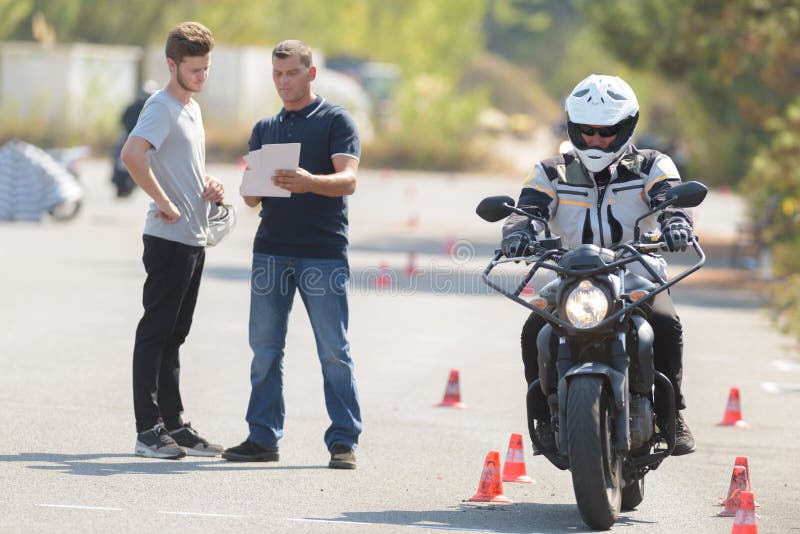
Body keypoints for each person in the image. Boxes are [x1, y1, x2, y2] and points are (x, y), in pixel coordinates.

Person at [501, 74, 696, 456]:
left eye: (607, 131)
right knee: (533, 331)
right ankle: (544, 413)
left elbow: (671, 200)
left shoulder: (651, 164)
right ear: (573, 127)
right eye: (587, 130)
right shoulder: (550, 171)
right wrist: (518, 232)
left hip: (637, 270)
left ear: (626, 128)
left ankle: (674, 415)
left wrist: (676, 224)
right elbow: (526, 210)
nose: (596, 139)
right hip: (571, 274)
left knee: (666, 323)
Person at [222, 40, 362, 469]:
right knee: (264, 350)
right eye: (278, 75)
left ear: (311, 74)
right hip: (270, 251)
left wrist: (308, 181)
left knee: (333, 350)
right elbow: (250, 199)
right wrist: (250, 185)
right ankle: (262, 438)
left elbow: (349, 180)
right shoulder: (265, 128)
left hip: (321, 253)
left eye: (292, 74)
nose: (284, 82)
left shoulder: (336, 119)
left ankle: (344, 441)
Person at [121, 21, 224, 459]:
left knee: (176, 335)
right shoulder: (160, 107)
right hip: (167, 239)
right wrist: (163, 201)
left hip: (193, 237)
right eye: (195, 70)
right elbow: (132, 154)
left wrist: (208, 185)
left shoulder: (193, 109)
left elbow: (181, 165)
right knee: (155, 333)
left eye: (206, 68)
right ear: (172, 64)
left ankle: (175, 425)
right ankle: (148, 431)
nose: (202, 76)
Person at [112, 80, 159, 198]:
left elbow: (121, 120)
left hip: (134, 138)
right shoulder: (152, 108)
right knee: (117, 155)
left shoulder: (137, 106)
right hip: (141, 139)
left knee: (118, 154)